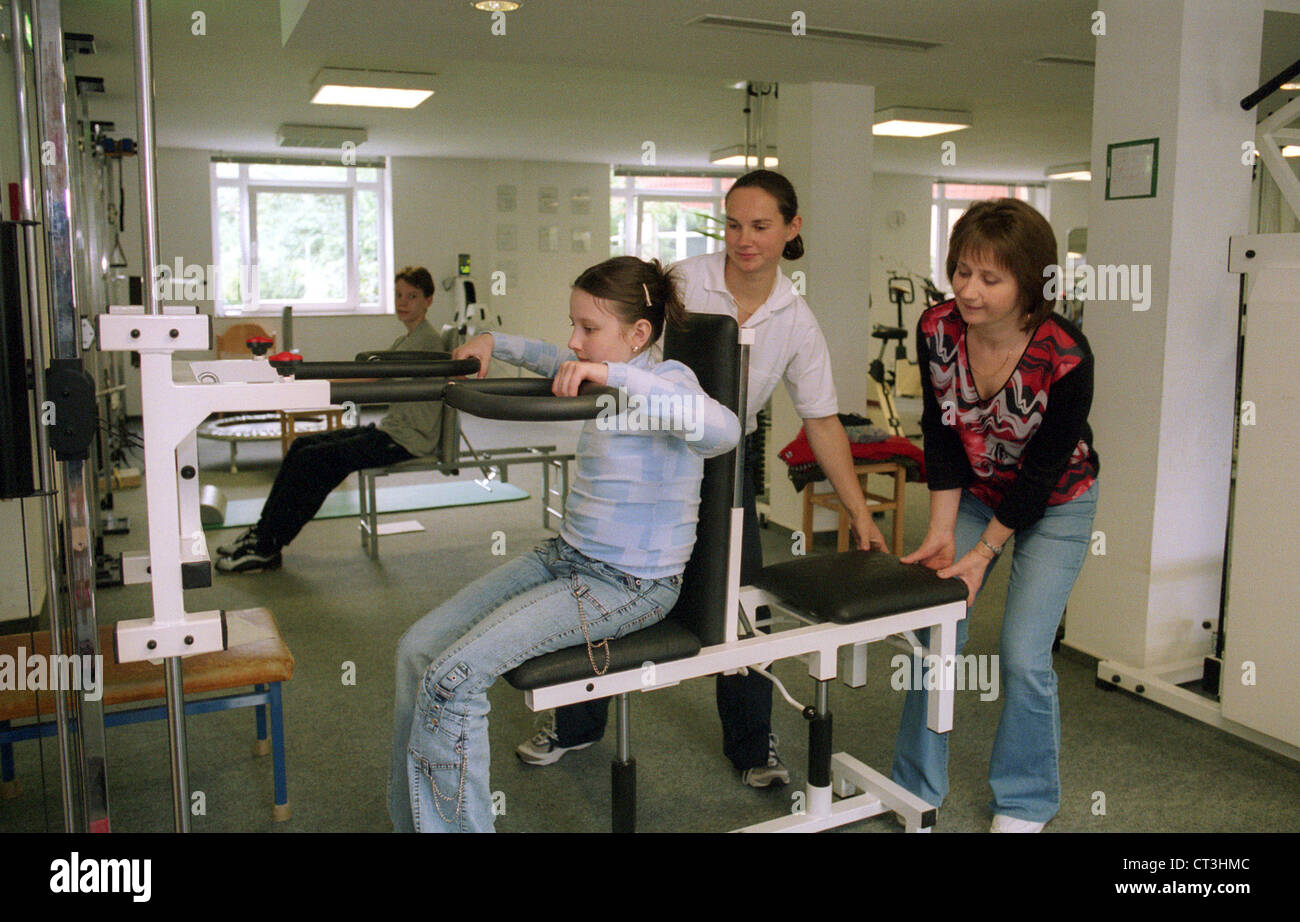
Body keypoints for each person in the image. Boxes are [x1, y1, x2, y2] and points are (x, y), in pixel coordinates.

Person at [520, 170, 889, 787]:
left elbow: (822, 422)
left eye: (761, 226)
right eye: (734, 224)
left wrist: (858, 512)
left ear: (792, 230)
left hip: (725, 459)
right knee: (610, 582)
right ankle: (574, 724)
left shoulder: (796, 319)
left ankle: (751, 745)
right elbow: (610, 339)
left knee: (738, 601)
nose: (744, 240)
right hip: (647, 450)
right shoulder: (684, 281)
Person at [389, 255, 740, 832]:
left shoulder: (670, 382)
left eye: (589, 329)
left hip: (631, 585)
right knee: (416, 650)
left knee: (452, 678)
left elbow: (722, 430)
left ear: (639, 335)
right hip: (567, 557)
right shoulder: (597, 360)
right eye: (573, 324)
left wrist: (614, 376)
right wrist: (489, 340)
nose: (574, 341)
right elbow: (543, 353)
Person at [892, 198, 1099, 833]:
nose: (968, 291)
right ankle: (916, 786)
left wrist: (982, 556)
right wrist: (942, 531)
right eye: (961, 271)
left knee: (1022, 653)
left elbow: (1040, 473)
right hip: (976, 492)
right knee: (937, 632)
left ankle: (1025, 801)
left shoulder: (1065, 354)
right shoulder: (936, 330)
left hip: (1055, 500)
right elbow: (943, 433)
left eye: (990, 278)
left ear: (1031, 283)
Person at [216, 266, 447, 573]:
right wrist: (318, 381)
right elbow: (374, 369)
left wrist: (321, 387)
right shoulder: (407, 340)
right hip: (391, 430)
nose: (403, 302)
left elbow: (374, 376)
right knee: (301, 448)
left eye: (412, 296)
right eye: (398, 295)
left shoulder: (426, 342)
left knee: (315, 462)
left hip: (407, 440)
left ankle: (267, 547)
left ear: (428, 301)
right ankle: (262, 534)